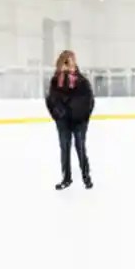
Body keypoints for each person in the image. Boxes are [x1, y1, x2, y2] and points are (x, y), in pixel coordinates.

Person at [45, 50, 95, 190]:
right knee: (65, 148)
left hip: (79, 121)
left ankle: (86, 177)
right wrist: (58, 114)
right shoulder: (55, 82)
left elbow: (89, 101)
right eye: (66, 62)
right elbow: (51, 100)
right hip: (63, 121)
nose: (69, 65)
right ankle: (66, 178)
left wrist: (81, 115)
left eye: (71, 61)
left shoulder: (82, 81)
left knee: (80, 147)